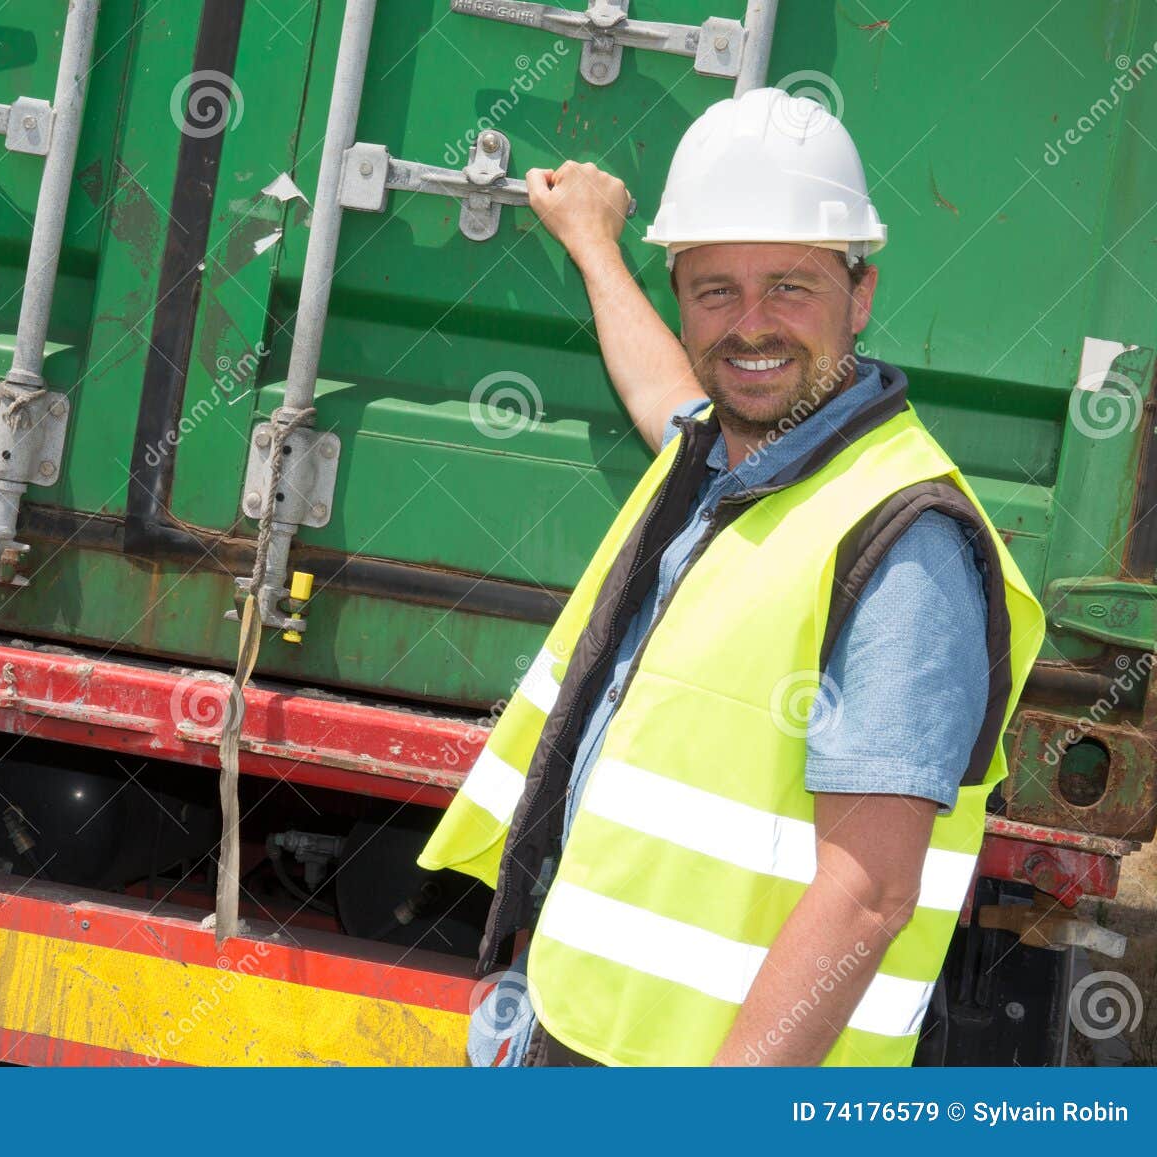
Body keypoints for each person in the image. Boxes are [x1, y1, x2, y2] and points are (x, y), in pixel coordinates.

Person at [418, 88, 1045, 1067]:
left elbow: (869, 895)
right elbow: (661, 387)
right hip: (571, 1023)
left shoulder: (902, 539)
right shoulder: (713, 462)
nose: (751, 326)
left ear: (861, 293)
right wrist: (592, 244)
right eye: (715, 289)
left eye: (789, 287)